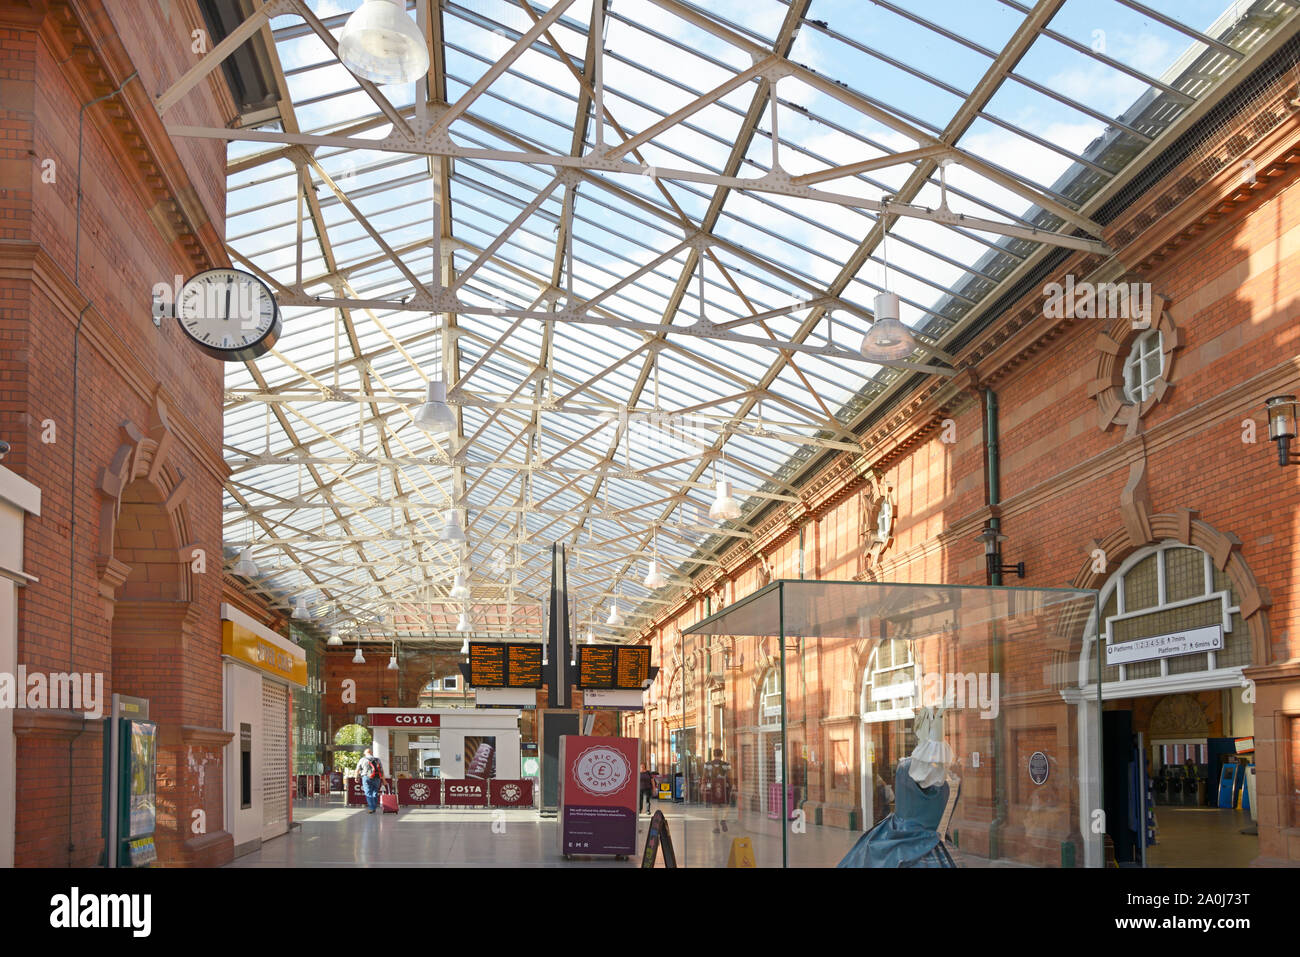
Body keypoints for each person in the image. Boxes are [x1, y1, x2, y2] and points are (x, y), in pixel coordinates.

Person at [703, 748, 731, 833]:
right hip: (724, 786)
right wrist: (732, 786)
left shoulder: (707, 764)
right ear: (722, 755)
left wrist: (703, 784)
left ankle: (716, 828)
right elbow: (729, 777)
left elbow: (704, 775)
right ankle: (723, 819)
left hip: (712, 786)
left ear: (713, 755)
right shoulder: (726, 765)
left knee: (714, 807)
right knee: (726, 805)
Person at [355, 747, 385, 814]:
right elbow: (382, 771)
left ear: (365, 753)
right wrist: (384, 780)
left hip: (366, 777)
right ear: (371, 753)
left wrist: (356, 777)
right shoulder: (377, 759)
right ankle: (374, 807)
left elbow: (357, 770)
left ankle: (372, 808)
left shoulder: (362, 759)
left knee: (368, 793)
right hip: (377, 777)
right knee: (375, 792)